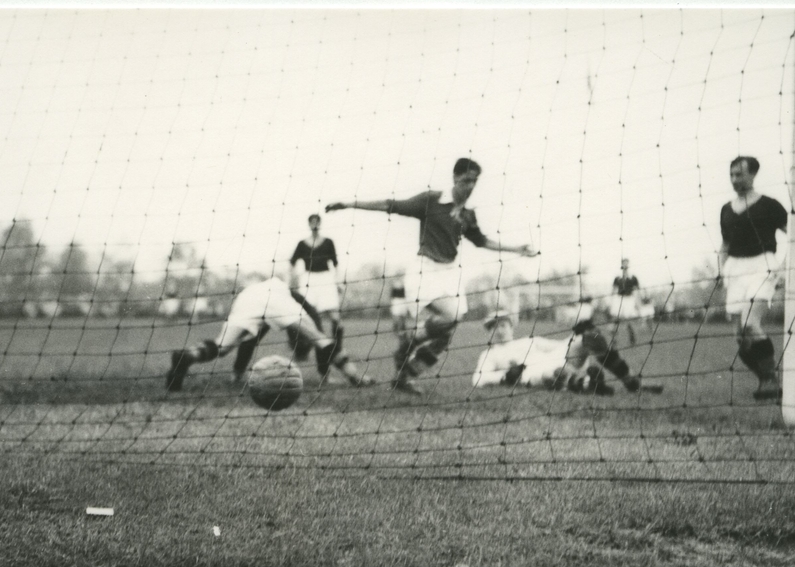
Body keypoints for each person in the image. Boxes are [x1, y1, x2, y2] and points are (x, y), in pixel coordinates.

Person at [325, 157, 538, 394]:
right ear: (455, 178)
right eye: (467, 180)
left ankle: (404, 376)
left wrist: (517, 249)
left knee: (446, 334)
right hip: (425, 270)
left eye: (474, 182)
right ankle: (410, 340)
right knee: (452, 314)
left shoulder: (467, 216)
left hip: (449, 273)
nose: (470, 186)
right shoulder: (431, 201)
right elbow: (390, 204)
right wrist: (347, 204)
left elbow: (482, 241)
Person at [165, 274, 374, 392]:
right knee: (320, 339)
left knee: (222, 346)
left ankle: (188, 355)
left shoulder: (268, 290)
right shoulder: (294, 301)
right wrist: (333, 372)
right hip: (274, 300)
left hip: (247, 297)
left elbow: (250, 340)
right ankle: (356, 377)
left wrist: (237, 374)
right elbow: (321, 337)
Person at [717, 156, 789, 401]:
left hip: (762, 265)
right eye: (732, 175)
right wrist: (721, 271)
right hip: (736, 270)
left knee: (750, 323)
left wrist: (785, 265)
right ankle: (766, 381)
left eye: (740, 174)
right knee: (741, 338)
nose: (735, 179)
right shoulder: (726, 209)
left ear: (753, 174)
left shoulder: (770, 205)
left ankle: (771, 379)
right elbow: (725, 245)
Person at [472, 309, 659, 394]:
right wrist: (505, 376)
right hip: (532, 373)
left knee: (590, 338)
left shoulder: (530, 341)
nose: (499, 330)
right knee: (552, 374)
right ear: (489, 332)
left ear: (511, 326)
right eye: (494, 327)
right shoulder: (489, 354)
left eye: (503, 325)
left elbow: (559, 346)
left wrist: (577, 335)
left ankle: (631, 383)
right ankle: (588, 383)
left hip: (555, 359)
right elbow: (478, 380)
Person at [288, 214, 345, 376]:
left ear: (320, 223)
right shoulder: (302, 244)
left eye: (317, 222)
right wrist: (291, 280)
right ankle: (302, 351)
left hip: (325, 279)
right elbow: (291, 263)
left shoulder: (328, 242)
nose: (315, 224)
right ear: (308, 224)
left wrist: (338, 282)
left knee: (335, 318)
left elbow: (336, 264)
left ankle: (338, 348)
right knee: (307, 317)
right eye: (312, 222)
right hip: (308, 280)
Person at [608, 257, 642, 345]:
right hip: (619, 299)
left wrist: (638, 303)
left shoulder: (633, 278)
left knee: (628, 319)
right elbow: (614, 290)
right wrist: (611, 302)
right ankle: (614, 339)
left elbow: (636, 291)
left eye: (626, 263)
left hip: (629, 299)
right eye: (623, 263)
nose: (625, 265)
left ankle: (632, 338)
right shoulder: (618, 278)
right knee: (615, 319)